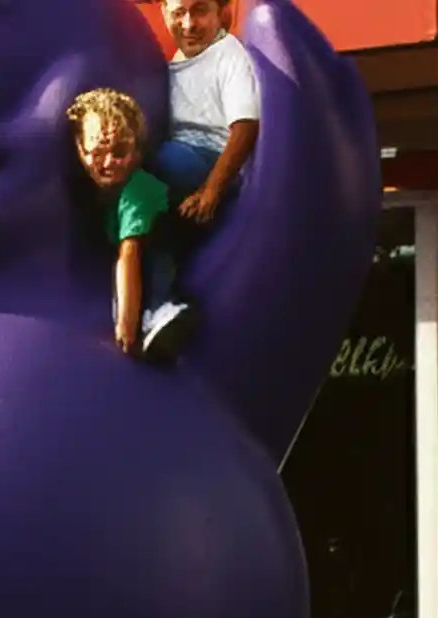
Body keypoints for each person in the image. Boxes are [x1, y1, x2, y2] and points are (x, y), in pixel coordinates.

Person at [67, 88, 197, 361]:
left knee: (155, 255)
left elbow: (130, 255)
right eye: (97, 151)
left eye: (120, 151)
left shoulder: (137, 189)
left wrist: (126, 327)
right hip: (131, 249)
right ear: (80, 148)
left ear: (138, 151)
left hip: (169, 238)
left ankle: (161, 308)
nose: (108, 162)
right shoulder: (92, 192)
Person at [153, 0, 260, 226]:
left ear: (221, 13)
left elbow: (245, 126)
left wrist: (212, 189)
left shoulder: (227, 53)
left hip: (213, 163)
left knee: (164, 160)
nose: (189, 24)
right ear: (164, 14)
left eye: (200, 11)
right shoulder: (175, 62)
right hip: (181, 162)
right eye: (178, 13)